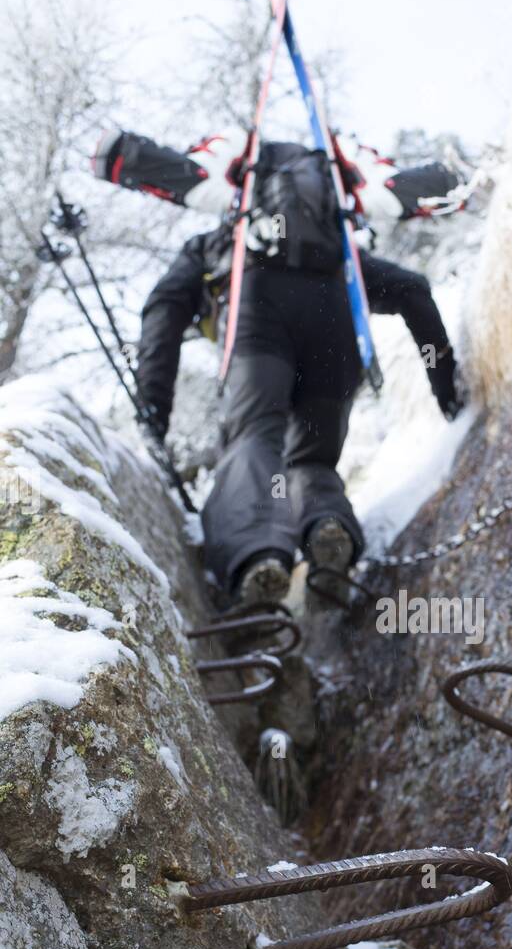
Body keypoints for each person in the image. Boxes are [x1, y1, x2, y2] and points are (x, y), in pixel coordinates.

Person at [94, 127, 467, 605]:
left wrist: (153, 410)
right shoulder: (339, 251)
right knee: (311, 459)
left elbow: (163, 312)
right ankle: (328, 530)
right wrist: (449, 392)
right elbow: (413, 289)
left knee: (255, 437)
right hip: (332, 322)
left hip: (258, 321)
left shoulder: (215, 247)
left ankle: (259, 557)